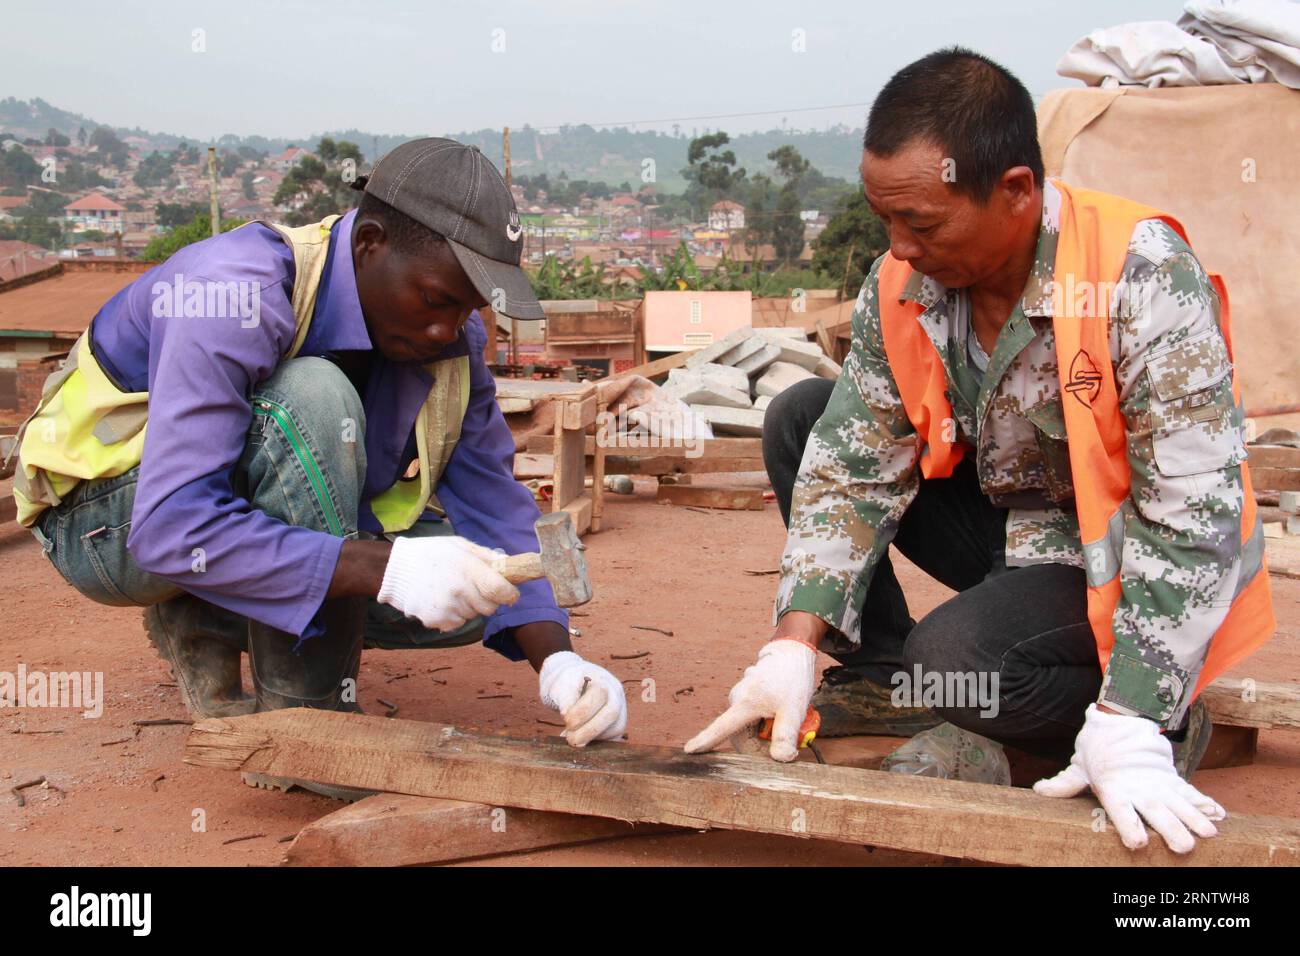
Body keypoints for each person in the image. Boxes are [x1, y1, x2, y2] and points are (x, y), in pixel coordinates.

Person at [685, 48, 1273, 854]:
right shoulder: (903, 281)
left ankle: (1159, 718)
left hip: (1133, 556)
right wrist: (794, 642)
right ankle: (892, 679)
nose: (899, 246)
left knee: (958, 657)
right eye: (884, 219)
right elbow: (852, 467)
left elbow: (1193, 513)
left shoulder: (1137, 277)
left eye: (921, 223)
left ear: (1017, 193)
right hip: (1012, 526)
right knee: (802, 416)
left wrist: (1138, 711)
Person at [10, 138, 626, 797]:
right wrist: (387, 569)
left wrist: (559, 662)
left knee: (487, 581)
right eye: (435, 298)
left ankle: (208, 614)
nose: (451, 330)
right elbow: (170, 528)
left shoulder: (449, 343)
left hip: (213, 532)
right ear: (371, 244)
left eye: (470, 308)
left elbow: (497, 505)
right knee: (312, 396)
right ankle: (309, 724)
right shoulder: (230, 292)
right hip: (107, 522)